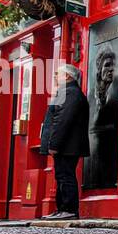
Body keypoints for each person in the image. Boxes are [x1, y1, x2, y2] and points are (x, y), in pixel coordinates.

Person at [39, 62, 90, 219]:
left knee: (65, 175)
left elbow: (62, 120)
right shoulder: (65, 92)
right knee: (61, 175)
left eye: (57, 74)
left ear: (67, 76)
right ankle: (62, 209)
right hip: (66, 144)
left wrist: (54, 144)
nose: (54, 76)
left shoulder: (71, 93)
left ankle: (68, 210)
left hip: (68, 145)